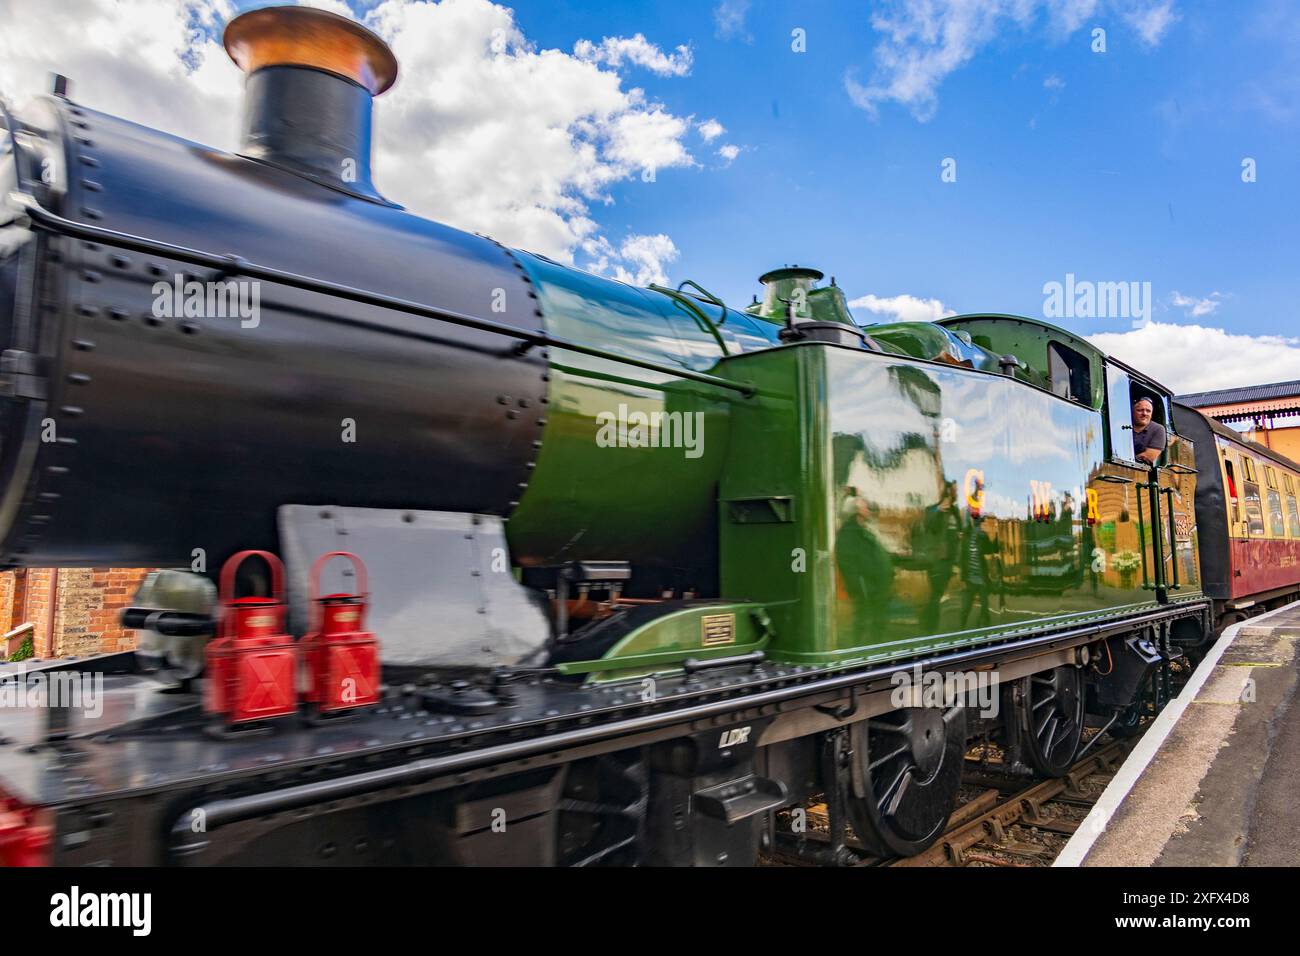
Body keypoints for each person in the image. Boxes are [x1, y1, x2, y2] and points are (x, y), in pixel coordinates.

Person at [1131, 397, 1166, 465]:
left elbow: (1149, 456)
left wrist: (1128, 459)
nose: (1144, 414)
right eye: (1140, 410)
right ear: (1133, 412)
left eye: (1148, 411)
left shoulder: (1158, 429)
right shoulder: (1122, 426)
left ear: (1151, 414)